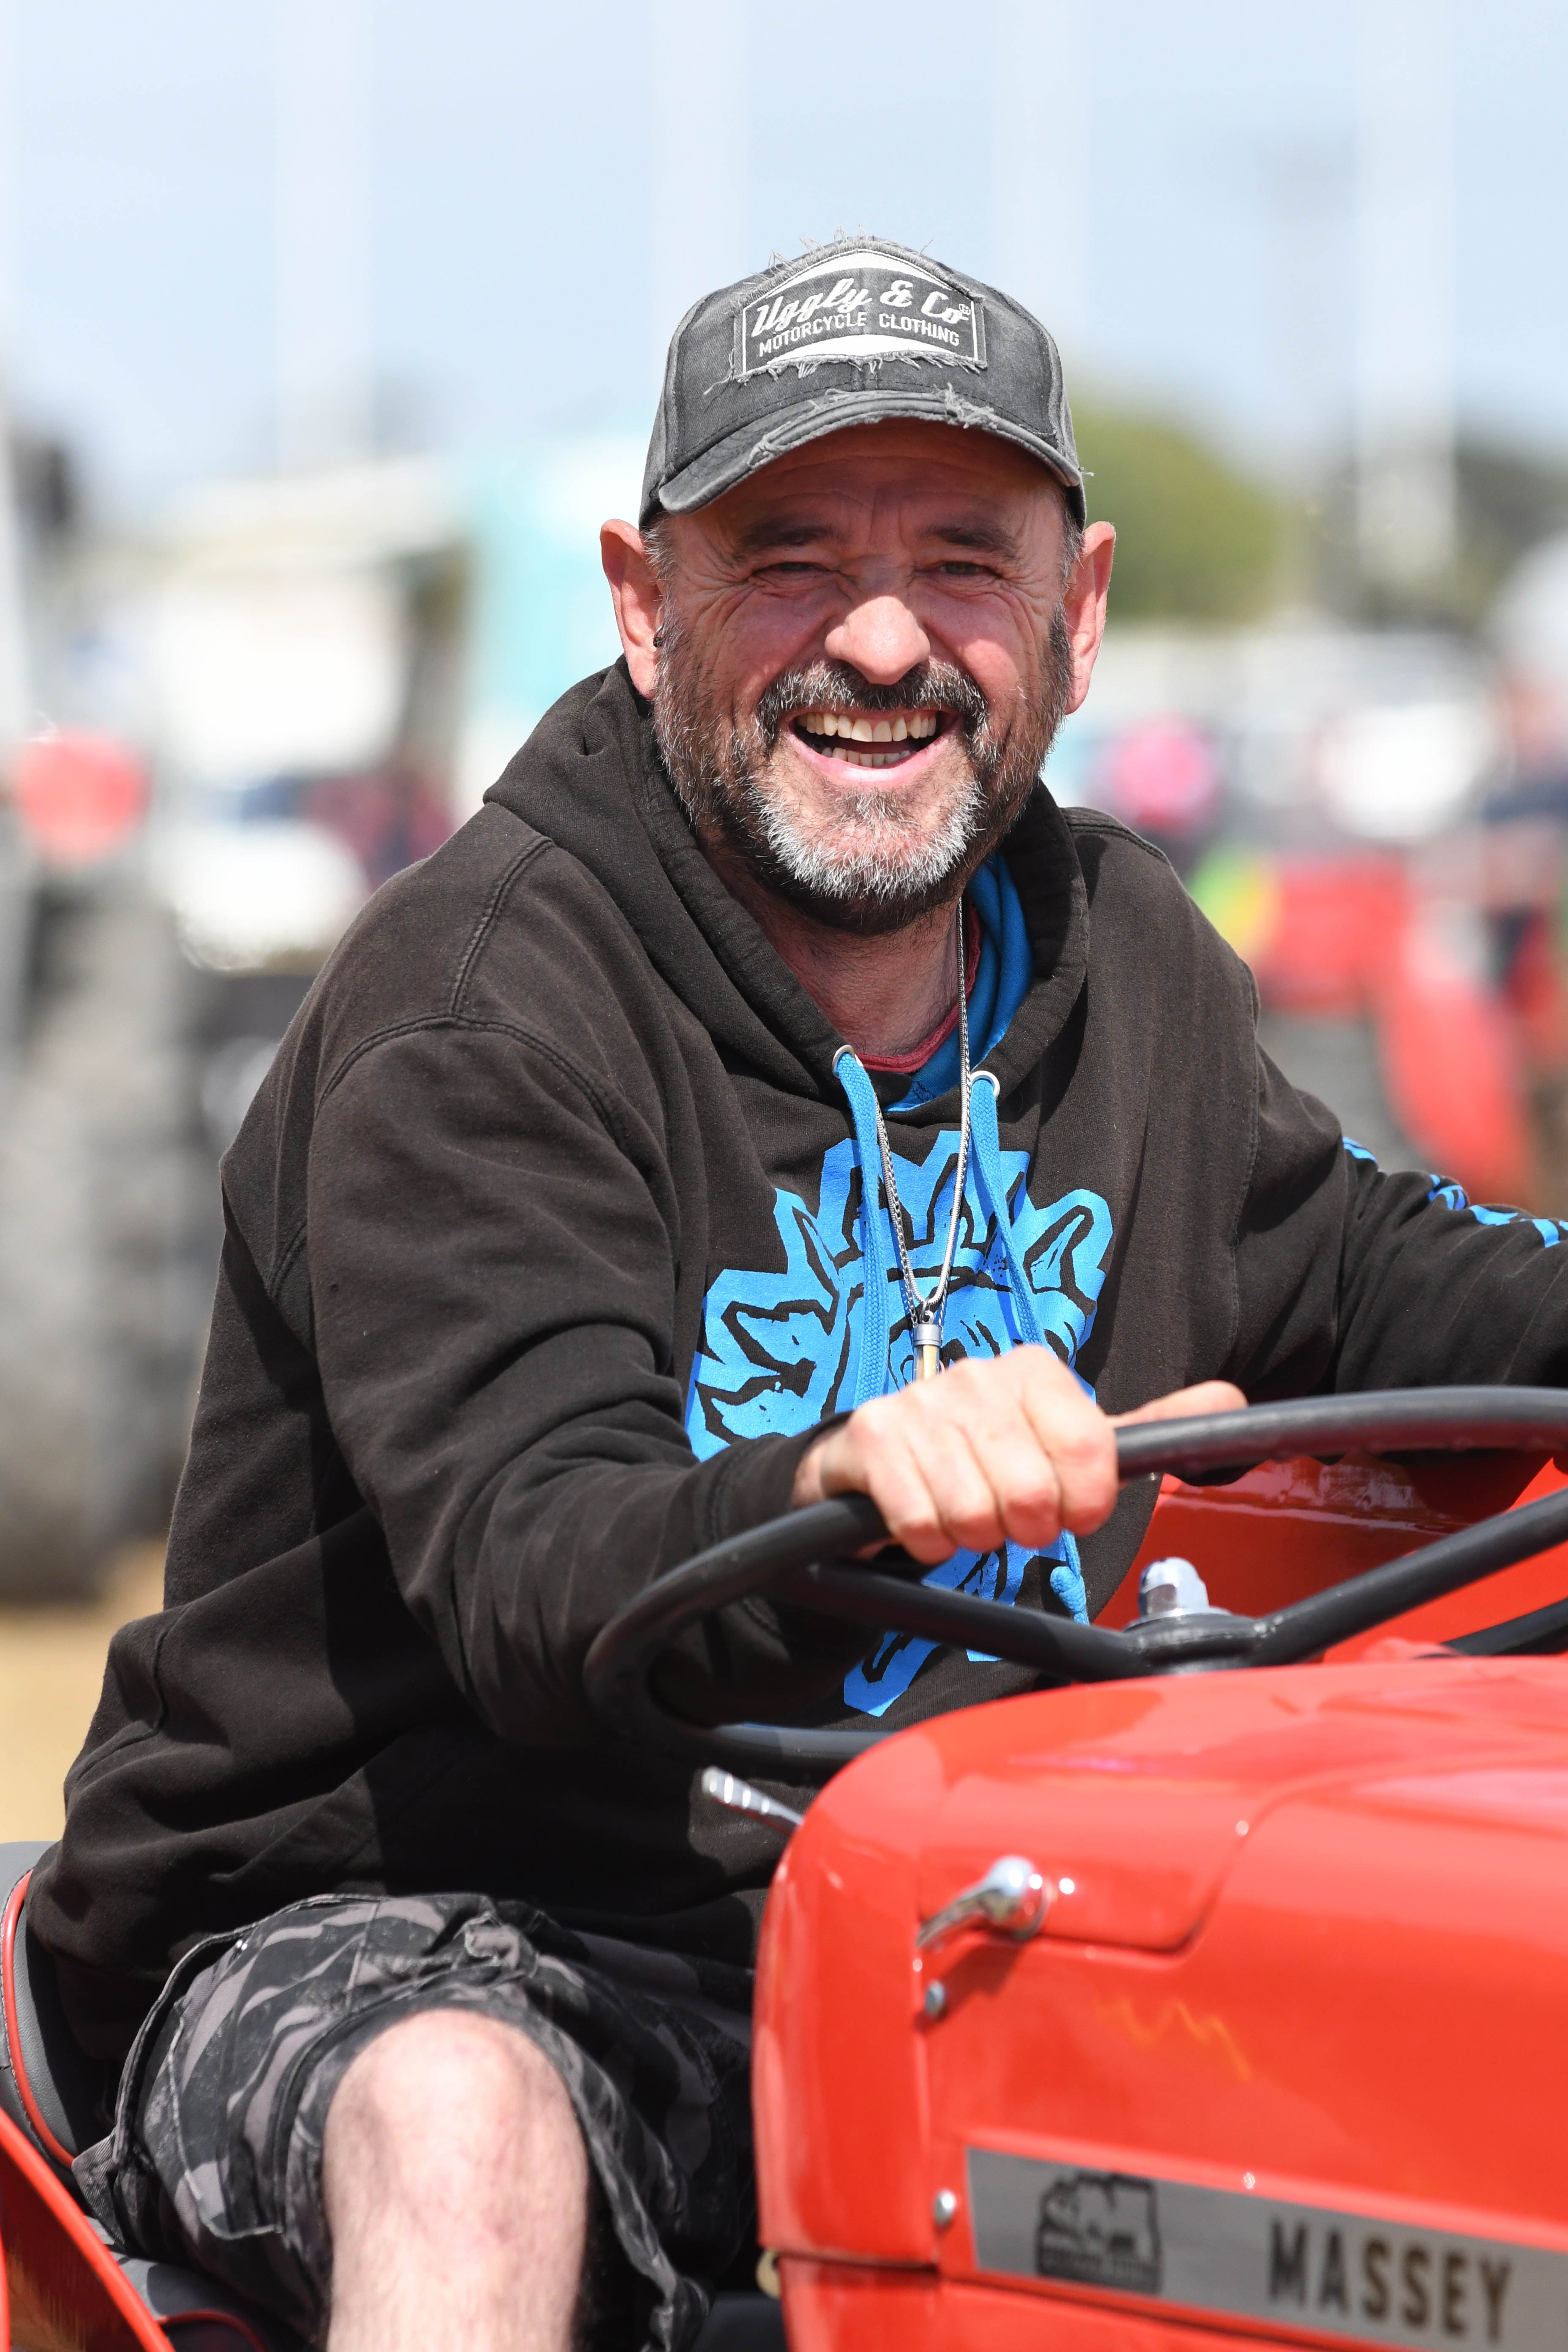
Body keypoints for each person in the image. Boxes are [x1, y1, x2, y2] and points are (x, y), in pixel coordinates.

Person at [30, 236, 1568, 2352]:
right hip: (409, 1922)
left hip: (916, 1919)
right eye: (782, 558)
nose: (877, 639)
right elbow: (536, 1554)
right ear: (644, 603)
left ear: (1079, 613)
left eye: (959, 557)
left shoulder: (1129, 967)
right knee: (460, 2118)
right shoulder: (475, 1004)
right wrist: (845, 1466)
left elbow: (1408, 1288)